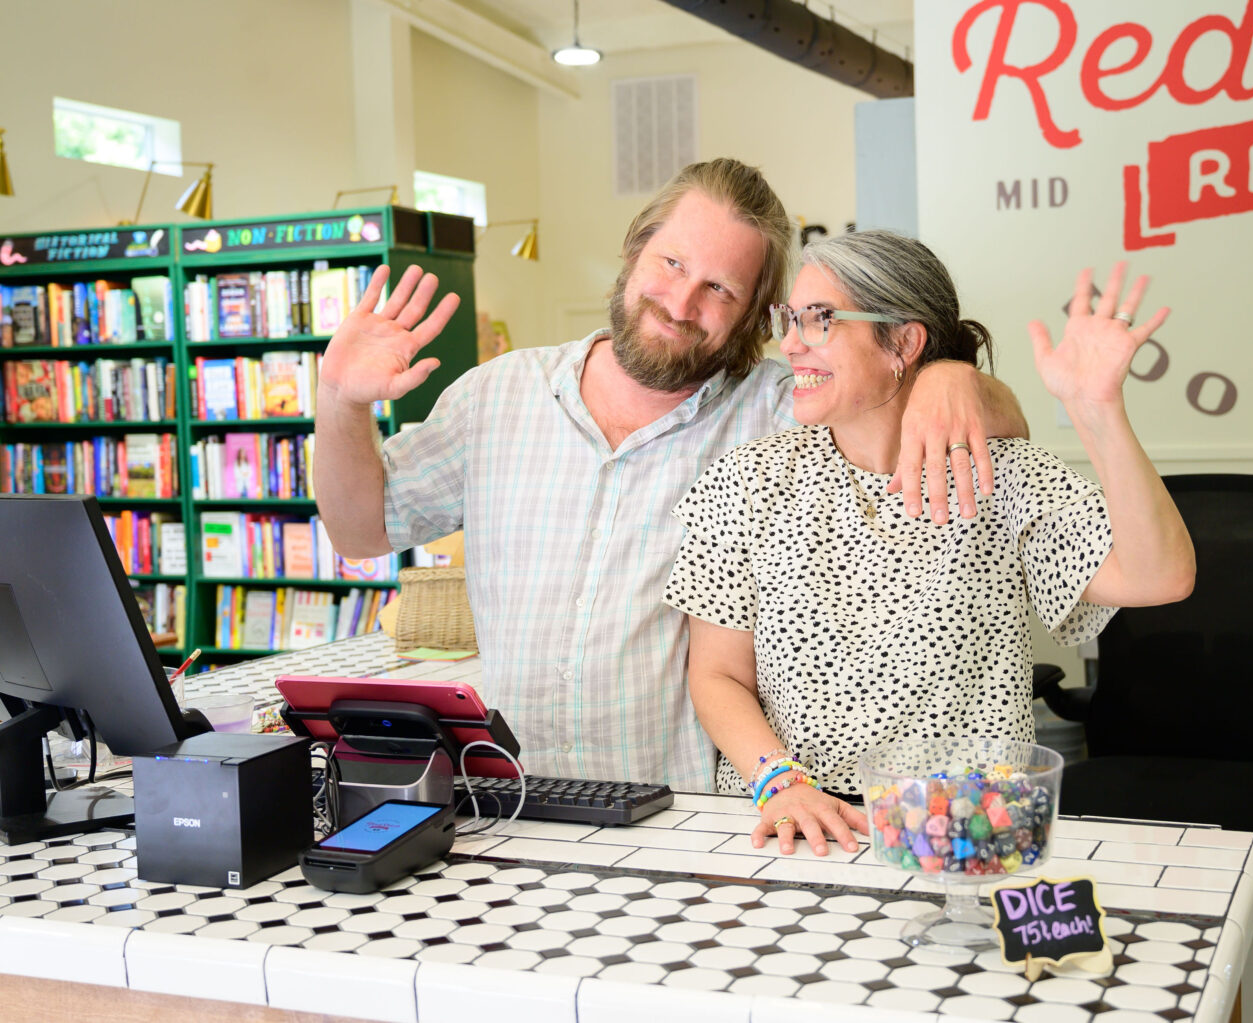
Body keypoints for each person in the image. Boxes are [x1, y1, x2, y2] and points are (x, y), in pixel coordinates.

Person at [313, 160, 1029, 792]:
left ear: (755, 313)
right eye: (673, 264)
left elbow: (989, 428)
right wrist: (340, 402)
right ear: (634, 252)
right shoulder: (496, 394)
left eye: (721, 289)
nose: (683, 304)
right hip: (514, 803)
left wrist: (953, 378)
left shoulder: (785, 410)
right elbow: (360, 529)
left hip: (686, 819)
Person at [664, 230, 1196, 855]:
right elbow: (718, 673)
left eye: (820, 320)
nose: (790, 344)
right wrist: (780, 782)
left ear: (905, 343)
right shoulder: (747, 480)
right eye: (790, 319)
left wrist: (1098, 408)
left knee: (980, 956)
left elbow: (1160, 576)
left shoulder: (1002, 474)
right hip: (795, 821)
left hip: (973, 825)